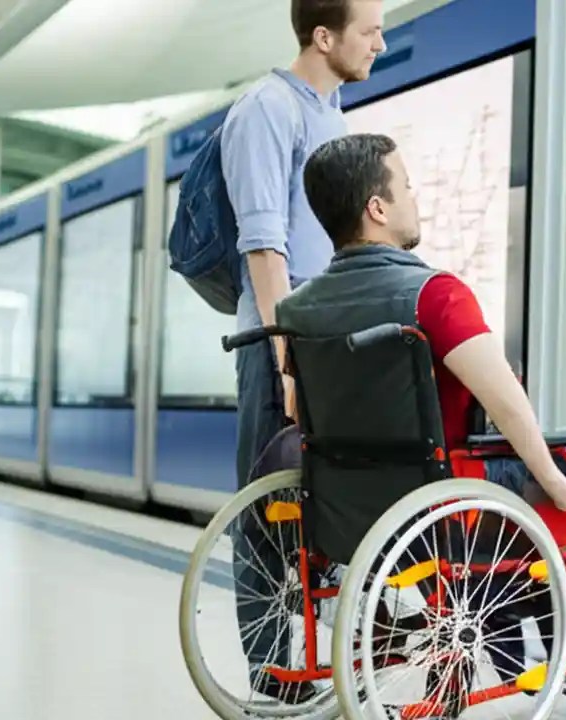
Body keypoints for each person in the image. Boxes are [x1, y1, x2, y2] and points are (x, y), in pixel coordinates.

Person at [292, 132, 566, 698]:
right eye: (406, 187)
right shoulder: (433, 295)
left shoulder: (298, 308)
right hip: (453, 507)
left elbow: (302, 415)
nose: (415, 198)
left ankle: (544, 646)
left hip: (353, 515)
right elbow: (506, 399)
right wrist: (557, 484)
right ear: (378, 208)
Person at [223, 0, 386, 701]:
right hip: (279, 343)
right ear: (324, 36)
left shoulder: (331, 115)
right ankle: (271, 679)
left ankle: (325, 660)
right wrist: (285, 357)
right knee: (266, 509)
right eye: (370, 30)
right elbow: (265, 246)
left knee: (325, 504)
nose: (381, 43)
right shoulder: (267, 109)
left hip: (328, 343)